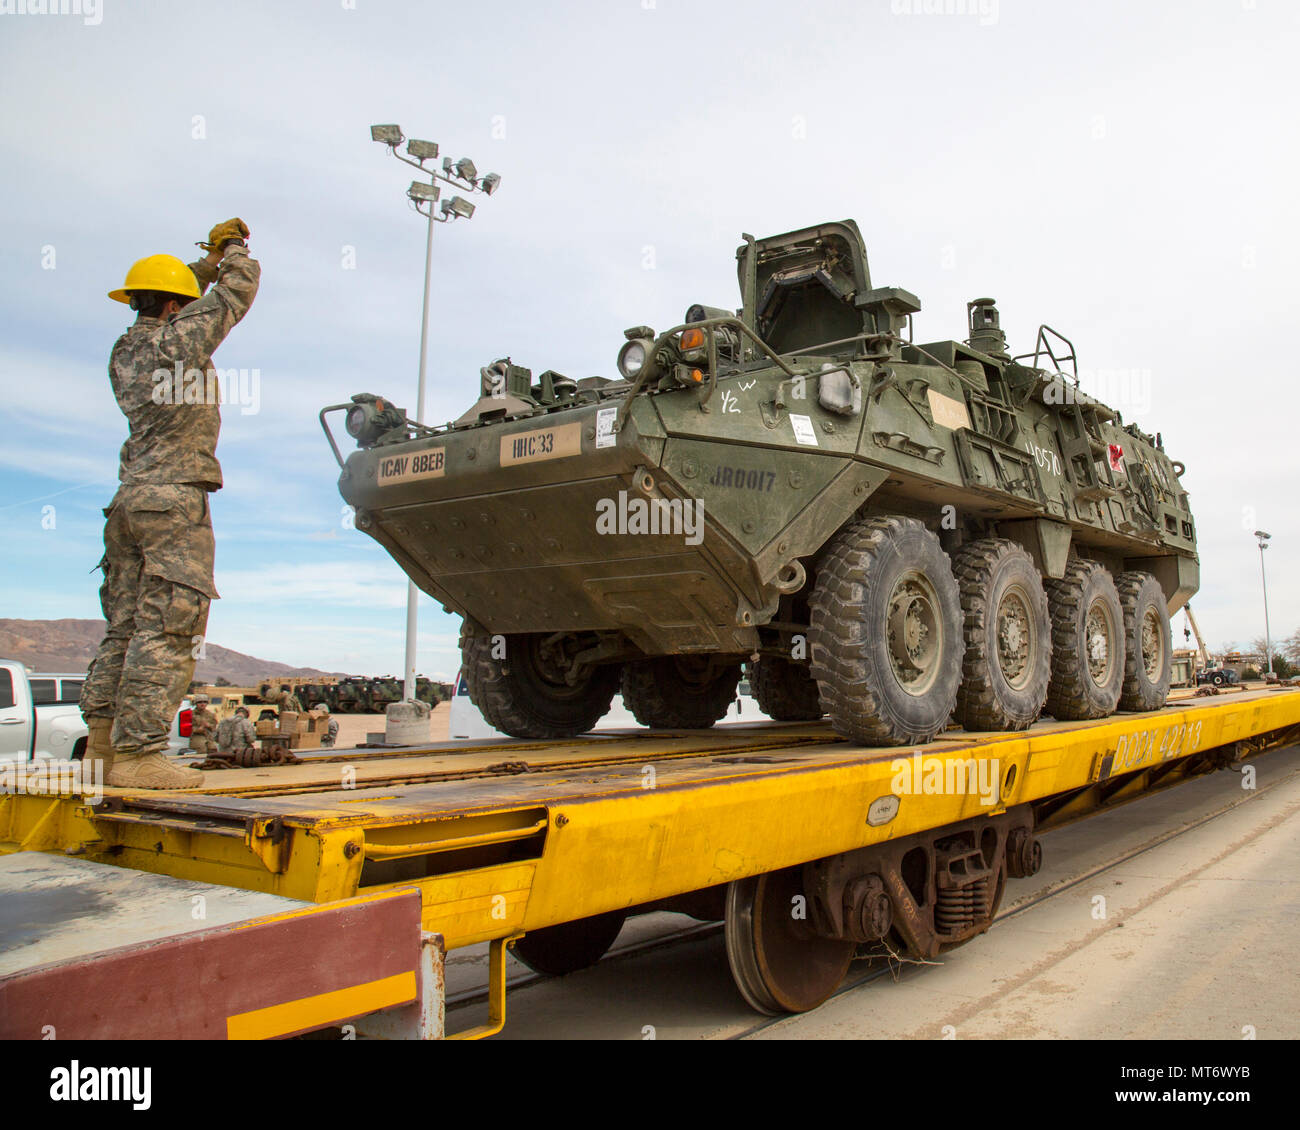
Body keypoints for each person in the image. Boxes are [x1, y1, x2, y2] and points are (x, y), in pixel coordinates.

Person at [79, 219, 260, 790]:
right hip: (173, 501)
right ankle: (141, 756)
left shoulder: (126, 349)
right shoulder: (178, 342)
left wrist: (198, 266)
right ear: (178, 304)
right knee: (169, 629)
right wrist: (231, 252)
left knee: (126, 627)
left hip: (129, 501)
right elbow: (237, 291)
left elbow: (188, 298)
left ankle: (104, 751)